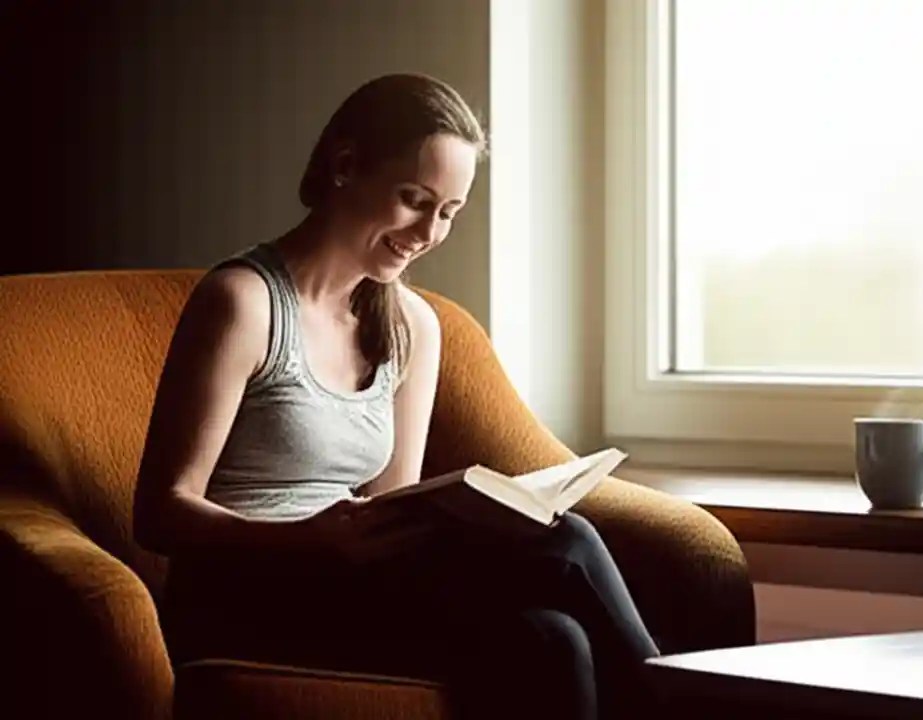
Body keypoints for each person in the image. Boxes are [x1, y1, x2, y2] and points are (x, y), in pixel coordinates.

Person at [132, 73, 661, 720]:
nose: (429, 231)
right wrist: (306, 541)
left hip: (352, 586)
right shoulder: (244, 303)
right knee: (571, 544)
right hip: (244, 594)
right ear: (346, 167)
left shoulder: (413, 326)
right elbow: (160, 513)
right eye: (414, 199)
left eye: (449, 213)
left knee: (554, 635)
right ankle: (689, 708)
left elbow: (394, 507)